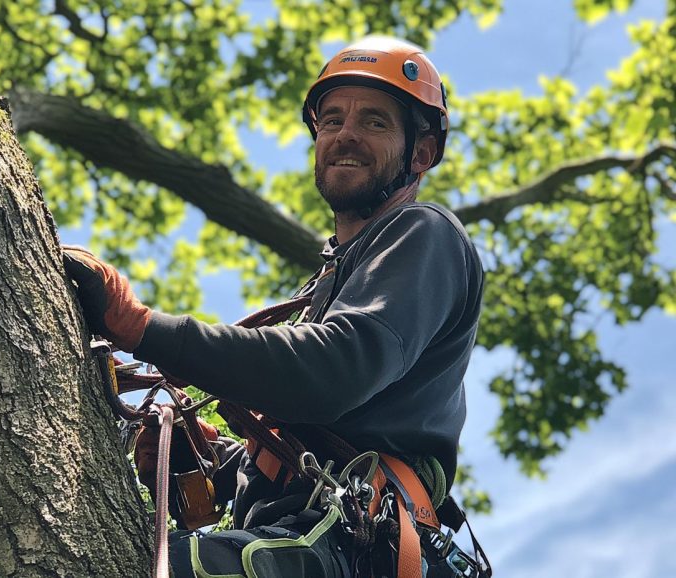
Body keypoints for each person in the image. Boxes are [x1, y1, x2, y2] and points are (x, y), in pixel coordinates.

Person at [64, 36, 486, 578]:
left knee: (111, 565)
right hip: (298, 540)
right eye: (331, 121)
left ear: (420, 153)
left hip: (346, 545)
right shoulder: (328, 285)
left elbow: (333, 370)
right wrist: (216, 468)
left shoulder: (424, 233)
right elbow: (320, 436)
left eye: (375, 122)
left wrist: (142, 327)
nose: (345, 135)